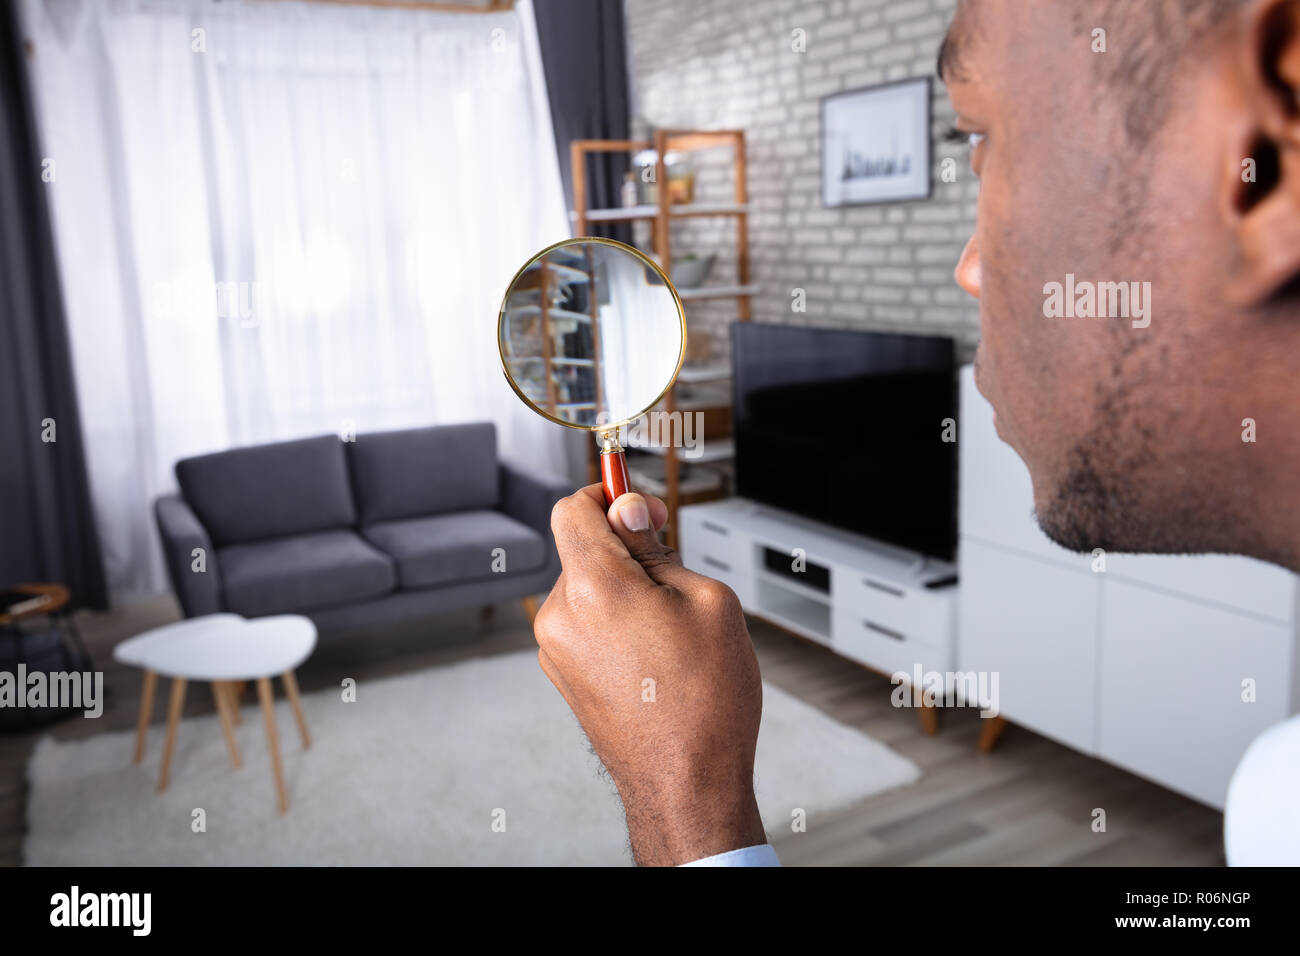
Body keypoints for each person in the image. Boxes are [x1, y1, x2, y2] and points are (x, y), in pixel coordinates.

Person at [533, 0, 1300, 866]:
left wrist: (684, 800)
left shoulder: (1281, 798)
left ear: (1271, 147)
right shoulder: (1279, 797)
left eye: (982, 136)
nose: (966, 268)